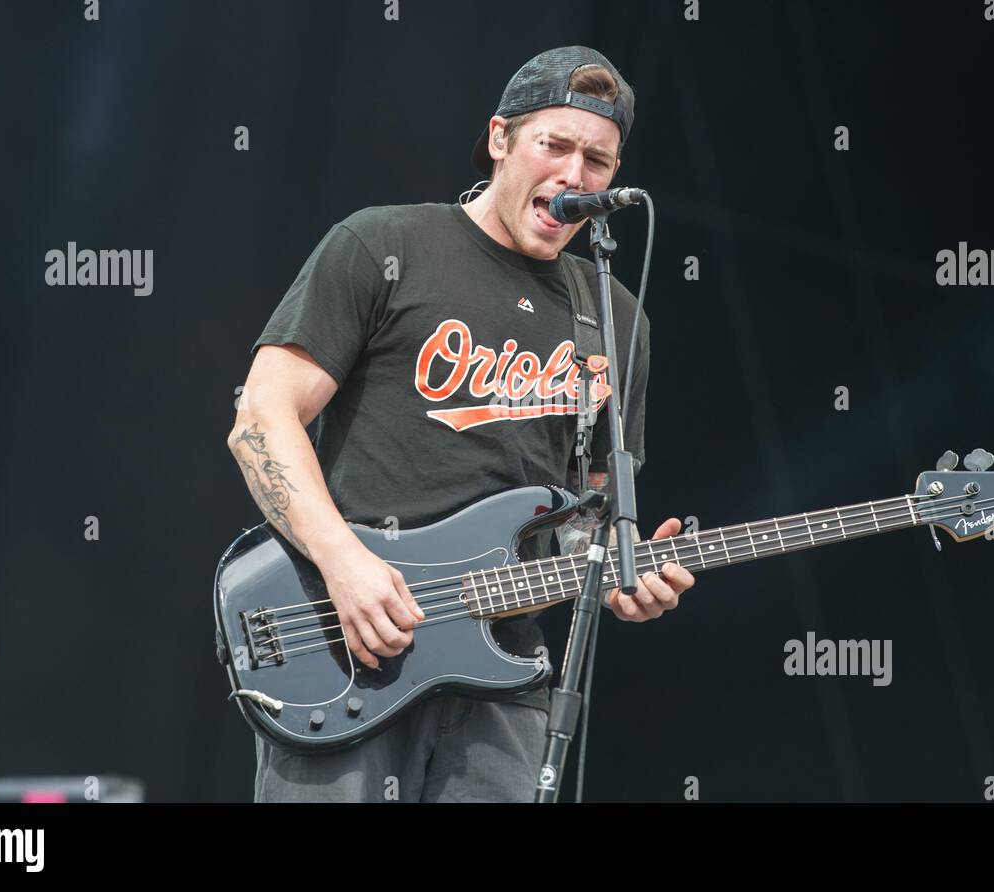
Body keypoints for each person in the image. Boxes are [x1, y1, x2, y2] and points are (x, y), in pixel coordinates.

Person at [228, 46, 695, 803]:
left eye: (599, 160)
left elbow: (589, 515)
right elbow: (260, 418)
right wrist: (345, 564)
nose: (575, 176)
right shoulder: (385, 245)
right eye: (556, 145)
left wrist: (622, 569)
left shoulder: (616, 317)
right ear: (500, 138)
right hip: (346, 645)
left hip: (502, 676)